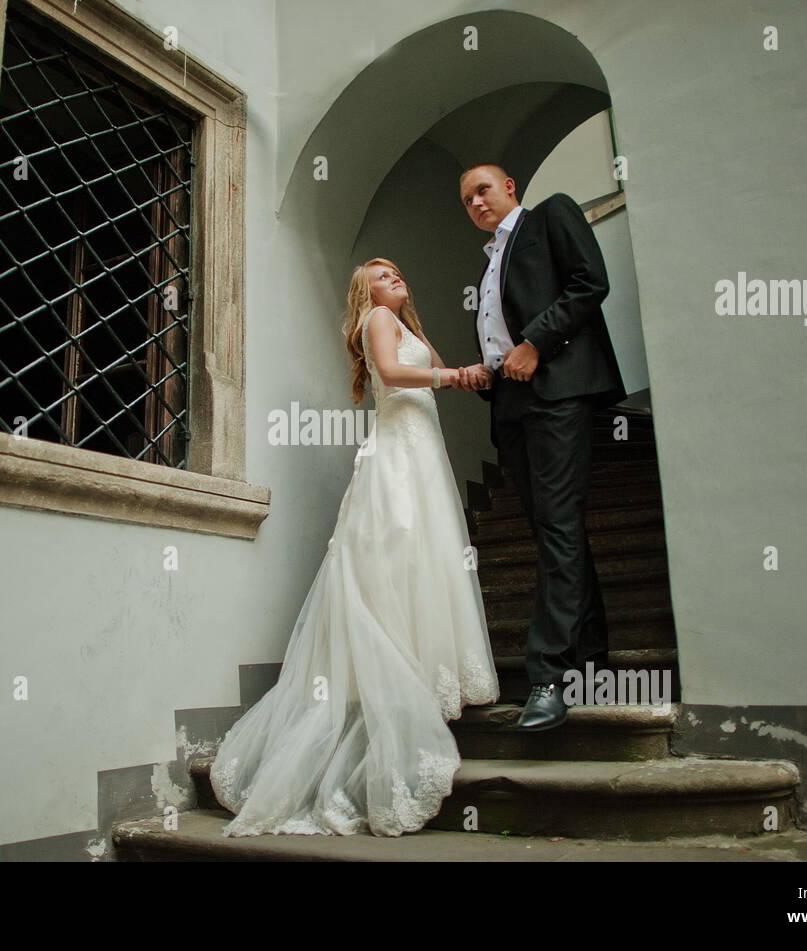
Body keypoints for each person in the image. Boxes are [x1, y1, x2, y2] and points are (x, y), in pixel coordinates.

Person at [210, 257, 500, 836]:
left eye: (397, 271)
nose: (393, 277)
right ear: (362, 292)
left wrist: (470, 370)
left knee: (428, 556)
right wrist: (452, 375)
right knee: (395, 552)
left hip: (422, 452)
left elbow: (442, 371)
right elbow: (394, 376)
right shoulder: (376, 321)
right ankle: (397, 679)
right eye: (381, 274)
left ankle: (425, 667)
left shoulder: (405, 325)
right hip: (396, 457)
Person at [456, 164, 627, 732]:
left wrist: (534, 342)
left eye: (483, 189)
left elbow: (590, 282)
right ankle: (594, 669)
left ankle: (548, 679)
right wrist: (489, 368)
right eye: (466, 199)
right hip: (509, 404)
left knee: (557, 524)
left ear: (509, 187)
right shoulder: (485, 264)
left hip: (557, 390)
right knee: (556, 529)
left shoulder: (551, 213)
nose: (476, 202)